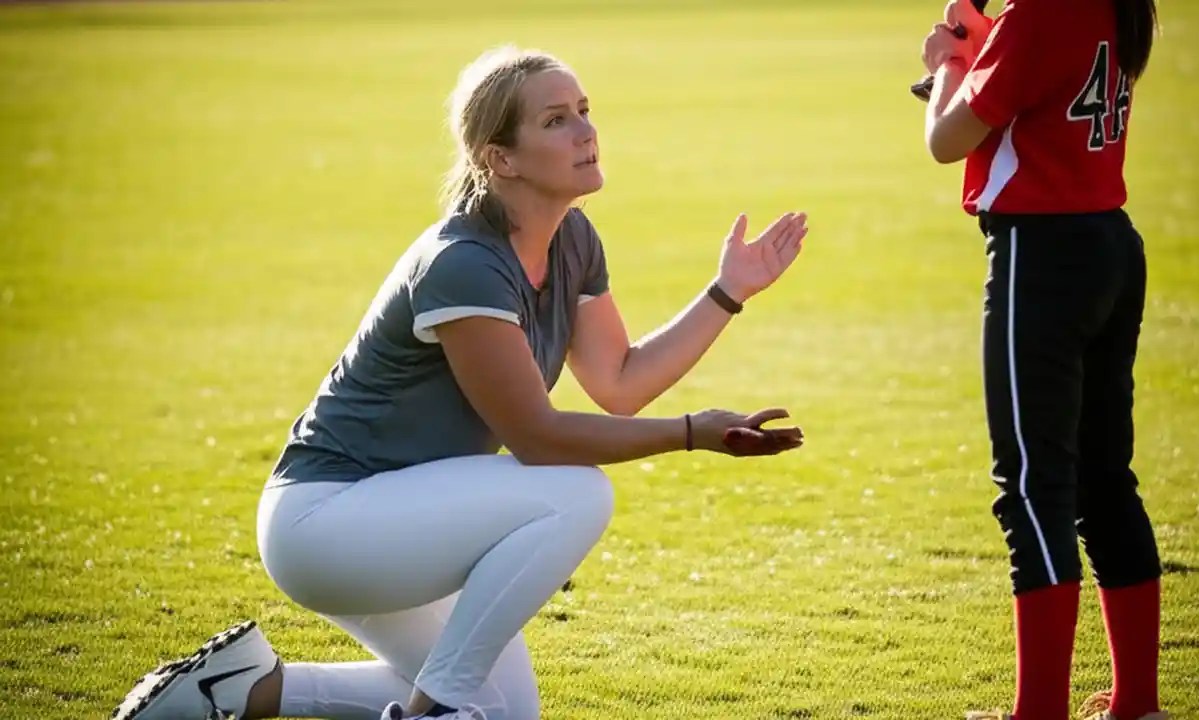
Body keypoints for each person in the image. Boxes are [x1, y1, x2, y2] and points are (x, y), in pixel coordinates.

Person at [111, 46, 808, 720]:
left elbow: (619, 383)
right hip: (327, 522)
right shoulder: (462, 263)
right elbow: (536, 437)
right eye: (556, 119)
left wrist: (726, 292)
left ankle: (237, 689)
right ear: (498, 157)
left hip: (402, 514)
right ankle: (432, 711)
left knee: (506, 711)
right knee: (578, 490)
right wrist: (692, 434)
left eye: (585, 110)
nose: (587, 131)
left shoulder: (573, 240)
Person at [918, 1, 1163, 719]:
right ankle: (1137, 705)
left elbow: (946, 138)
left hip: (1042, 253)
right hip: (1110, 242)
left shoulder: (1040, 11)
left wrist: (947, 65)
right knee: (1104, 482)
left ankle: (1040, 712)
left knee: (1033, 487)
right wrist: (979, 51)